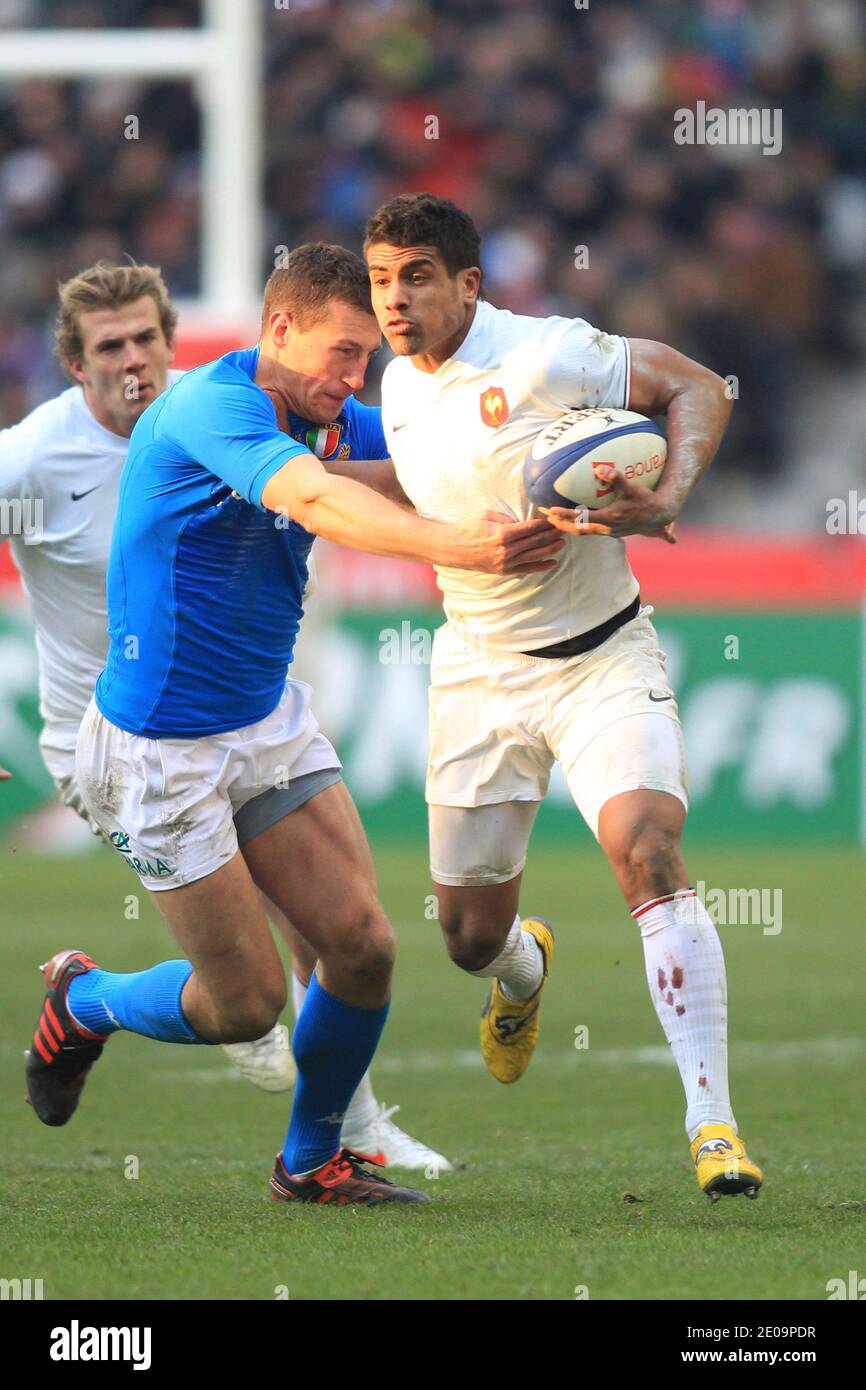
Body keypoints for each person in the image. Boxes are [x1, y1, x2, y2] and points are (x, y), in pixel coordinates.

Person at [26, 243, 561, 1206]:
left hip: (266, 720)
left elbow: (420, 464)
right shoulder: (208, 407)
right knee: (245, 1007)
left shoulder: (328, 409)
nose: (357, 381)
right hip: (161, 749)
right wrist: (470, 548)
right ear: (278, 330)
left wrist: (558, 469)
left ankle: (312, 1160)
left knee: (363, 947)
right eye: (343, 355)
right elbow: (321, 498)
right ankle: (82, 999)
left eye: (370, 362)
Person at [364, 192, 762, 1202]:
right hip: (475, 672)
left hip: (598, 659)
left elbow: (694, 384)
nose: (394, 300)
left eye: (414, 276)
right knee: (462, 937)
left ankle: (711, 1125)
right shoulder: (394, 384)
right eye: (379, 280)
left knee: (648, 850)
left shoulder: (546, 354)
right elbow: (422, 480)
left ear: (468, 283)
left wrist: (664, 496)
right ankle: (522, 970)